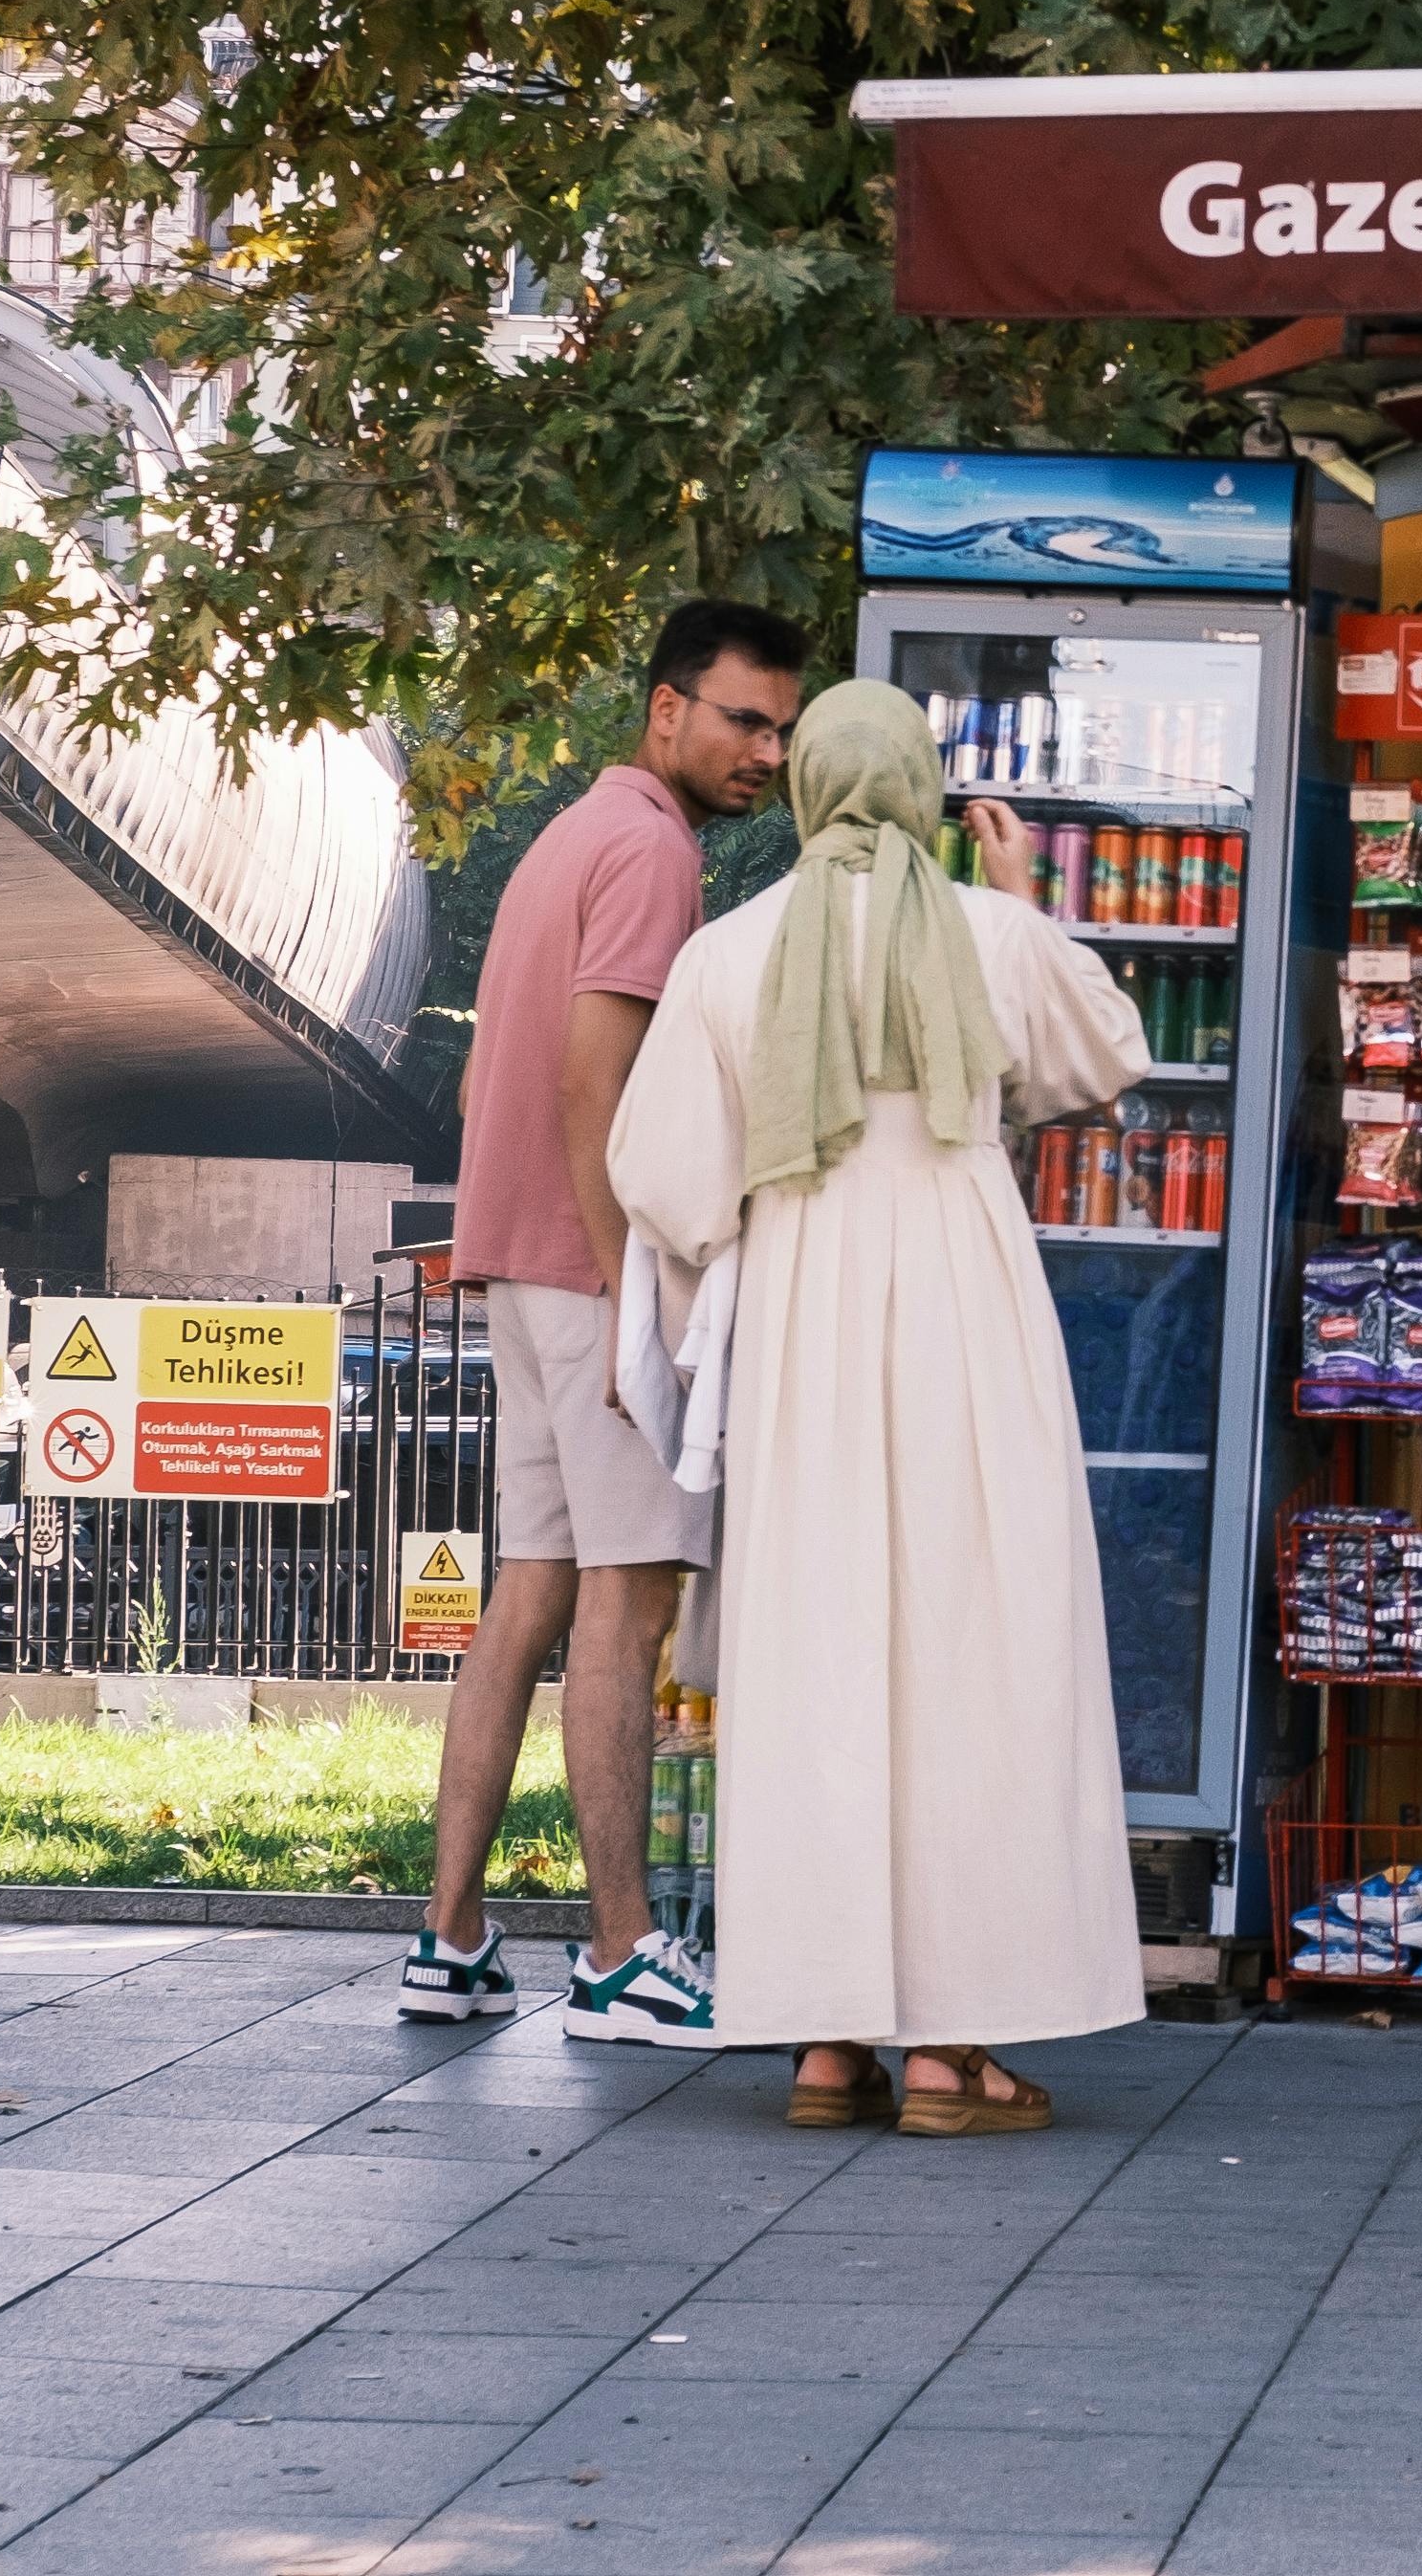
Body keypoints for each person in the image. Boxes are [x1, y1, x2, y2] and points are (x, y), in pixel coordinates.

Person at [606, 677, 1151, 2133]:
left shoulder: (731, 953)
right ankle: (952, 2050)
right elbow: (1107, 1055)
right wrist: (1025, 892)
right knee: (978, 1658)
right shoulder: (986, 933)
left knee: (819, 1665)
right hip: (968, 1319)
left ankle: (827, 2039)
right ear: (915, 785)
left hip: (804, 1328)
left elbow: (660, 1176)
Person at [409, 596, 808, 2046]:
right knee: (627, 1609)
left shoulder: (569, 836)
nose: (764, 749)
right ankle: (623, 1953)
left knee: (529, 1601)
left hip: (512, 1265)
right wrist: (633, 1289)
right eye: (741, 719)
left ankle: (448, 1940)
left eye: (781, 726)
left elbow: (490, 1084)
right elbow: (595, 1080)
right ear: (664, 709)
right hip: (584, 1278)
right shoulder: (651, 848)